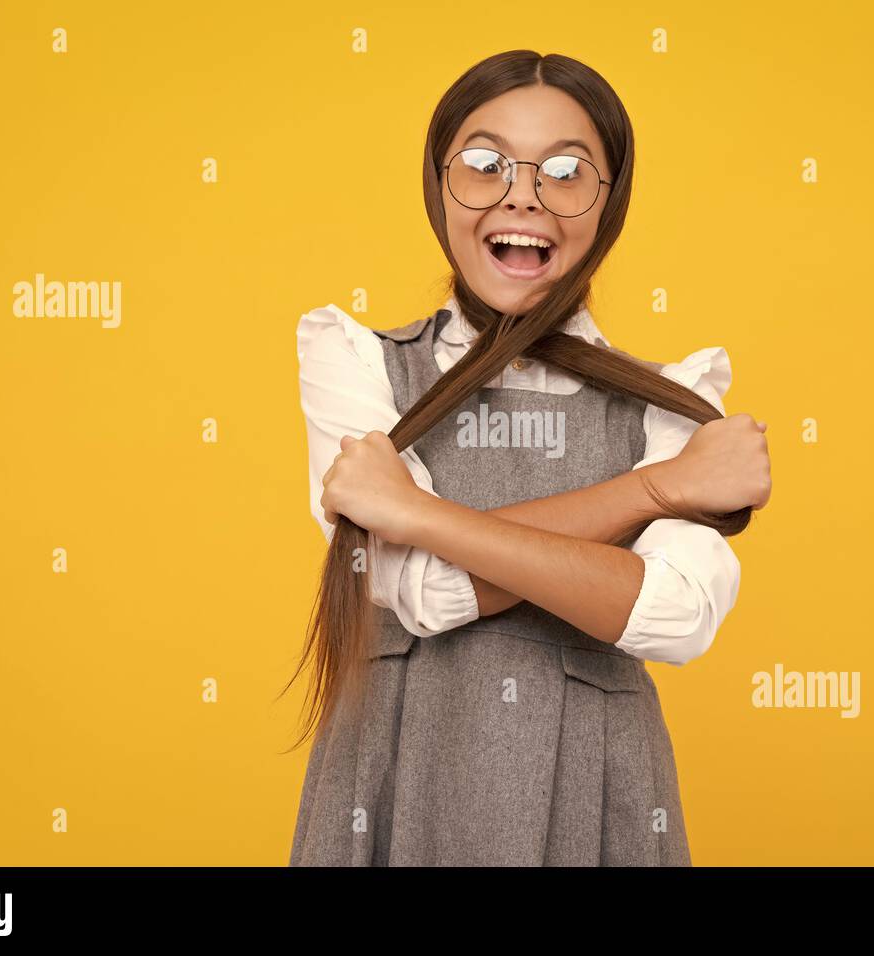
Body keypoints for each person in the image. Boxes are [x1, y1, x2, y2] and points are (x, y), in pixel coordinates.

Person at [285, 50, 772, 866]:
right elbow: (427, 592)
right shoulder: (354, 362)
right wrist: (656, 490)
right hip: (394, 776)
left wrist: (416, 512)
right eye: (484, 164)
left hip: (599, 785)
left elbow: (676, 614)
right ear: (440, 186)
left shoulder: (676, 397)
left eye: (566, 172)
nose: (521, 194)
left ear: (609, 204)